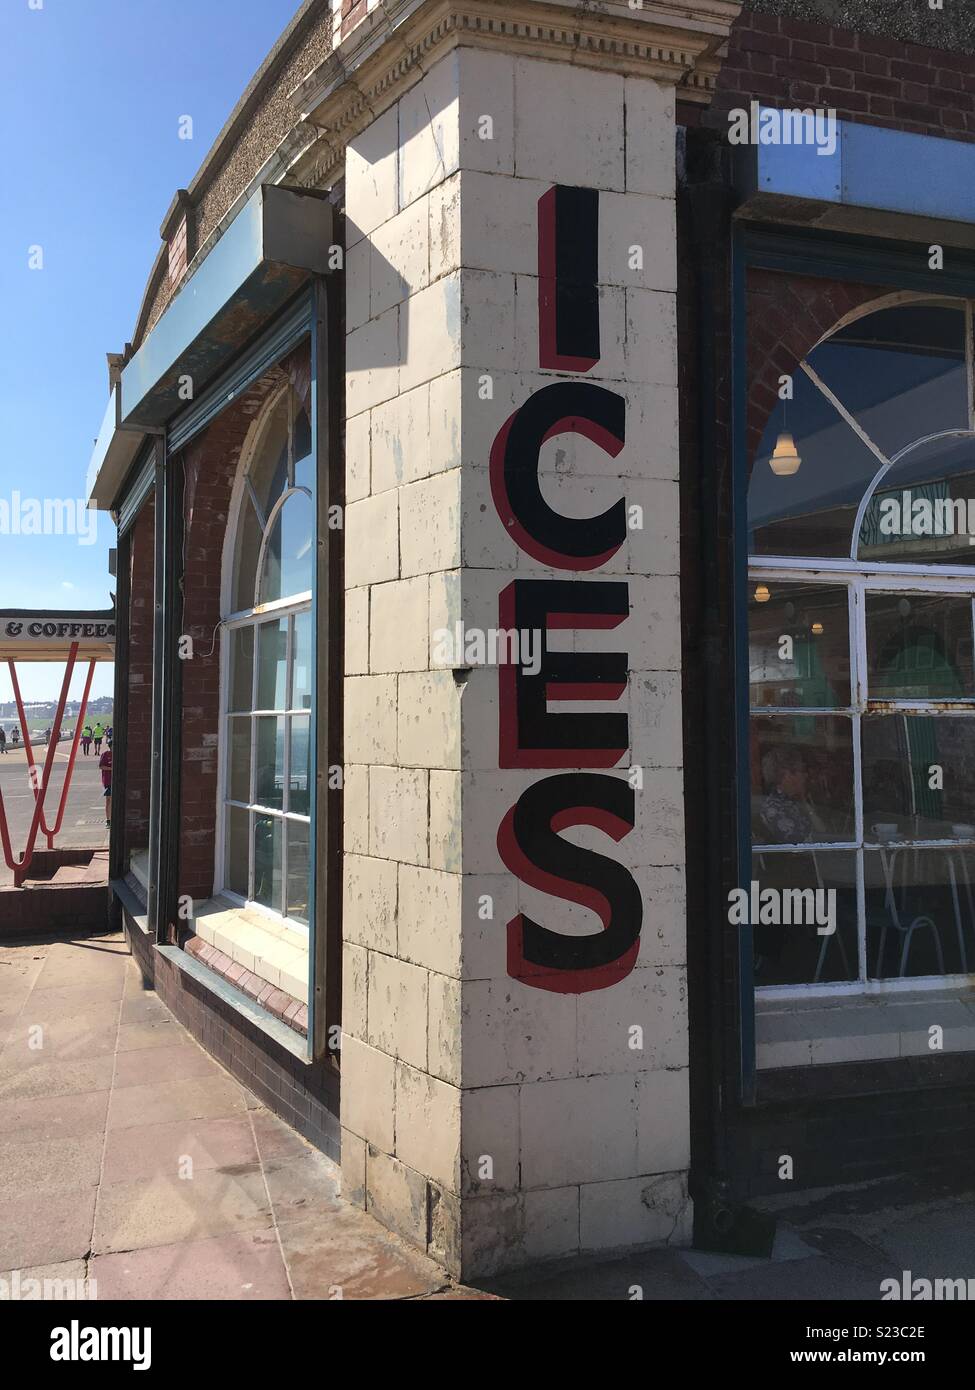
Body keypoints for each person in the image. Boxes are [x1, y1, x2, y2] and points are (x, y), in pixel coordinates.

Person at [100, 744, 112, 827]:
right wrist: (111, 769)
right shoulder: (105, 754)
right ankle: (108, 820)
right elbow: (101, 766)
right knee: (109, 800)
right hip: (108, 781)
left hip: (117, 780)